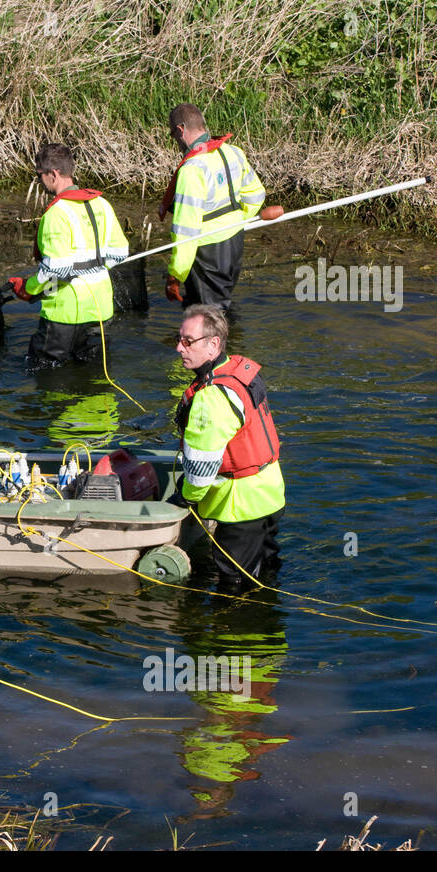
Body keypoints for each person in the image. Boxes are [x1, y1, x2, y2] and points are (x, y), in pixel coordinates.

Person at [170, 304, 285, 589]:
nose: (179, 348)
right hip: (269, 494)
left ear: (213, 344)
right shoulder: (237, 371)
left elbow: (200, 470)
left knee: (235, 586)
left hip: (241, 508)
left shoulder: (211, 398)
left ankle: (236, 630)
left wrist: (184, 497)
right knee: (266, 572)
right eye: (178, 338)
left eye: (188, 341)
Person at [8, 143, 130, 366]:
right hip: (101, 309)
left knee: (43, 372)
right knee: (92, 375)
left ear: (53, 174)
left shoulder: (57, 213)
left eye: (39, 176)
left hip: (64, 313)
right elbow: (120, 253)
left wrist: (28, 287)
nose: (39, 181)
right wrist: (92, 269)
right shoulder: (101, 203)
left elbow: (55, 270)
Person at [160, 104, 266, 311]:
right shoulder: (233, 152)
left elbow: (186, 232)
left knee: (207, 317)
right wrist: (234, 221)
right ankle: (233, 341)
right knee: (220, 307)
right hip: (234, 244)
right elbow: (256, 195)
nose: (175, 140)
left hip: (207, 254)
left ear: (180, 130)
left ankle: (222, 341)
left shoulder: (192, 170)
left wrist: (175, 275)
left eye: (173, 134)